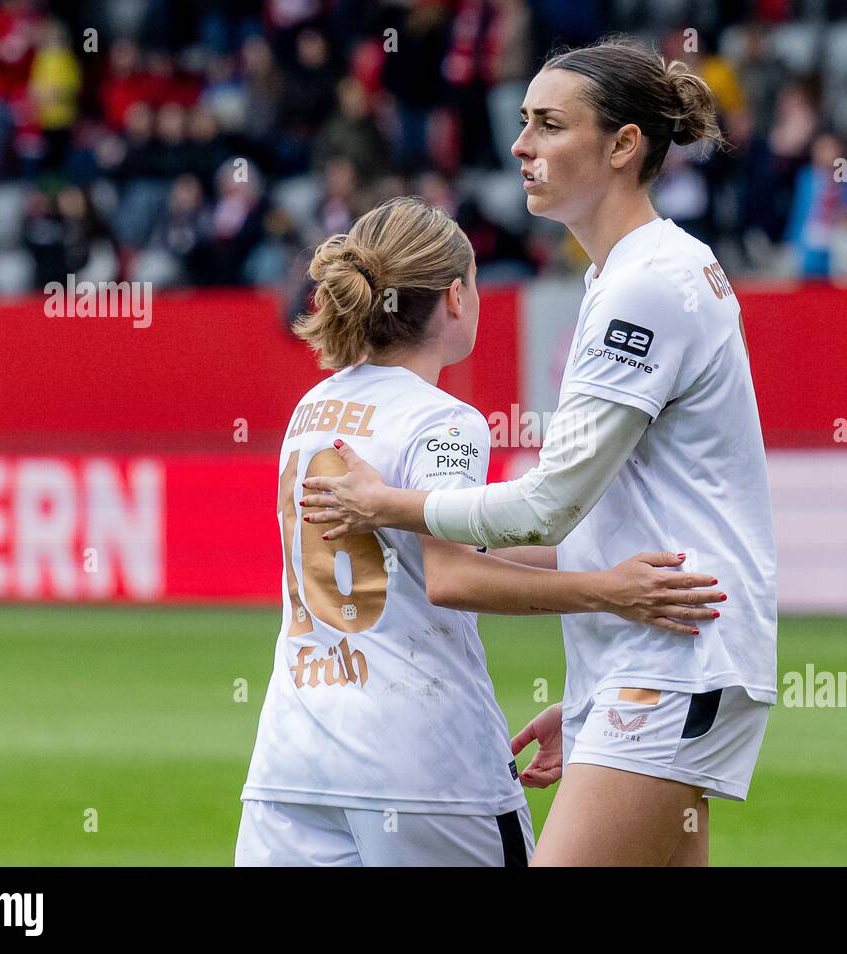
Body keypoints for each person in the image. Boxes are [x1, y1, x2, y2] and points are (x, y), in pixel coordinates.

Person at [300, 40, 778, 866]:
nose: (520, 146)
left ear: (624, 146)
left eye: (550, 125)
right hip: (653, 661)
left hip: (674, 658)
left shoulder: (645, 283)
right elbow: (603, 511)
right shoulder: (628, 275)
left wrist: (391, 505)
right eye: (523, 123)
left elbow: (550, 503)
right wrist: (590, 692)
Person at [235, 196, 725, 867]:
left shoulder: (315, 405)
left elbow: (421, 546)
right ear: (457, 298)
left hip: (294, 758)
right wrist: (609, 590)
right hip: (422, 763)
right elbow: (452, 575)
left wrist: (591, 549)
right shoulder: (445, 420)